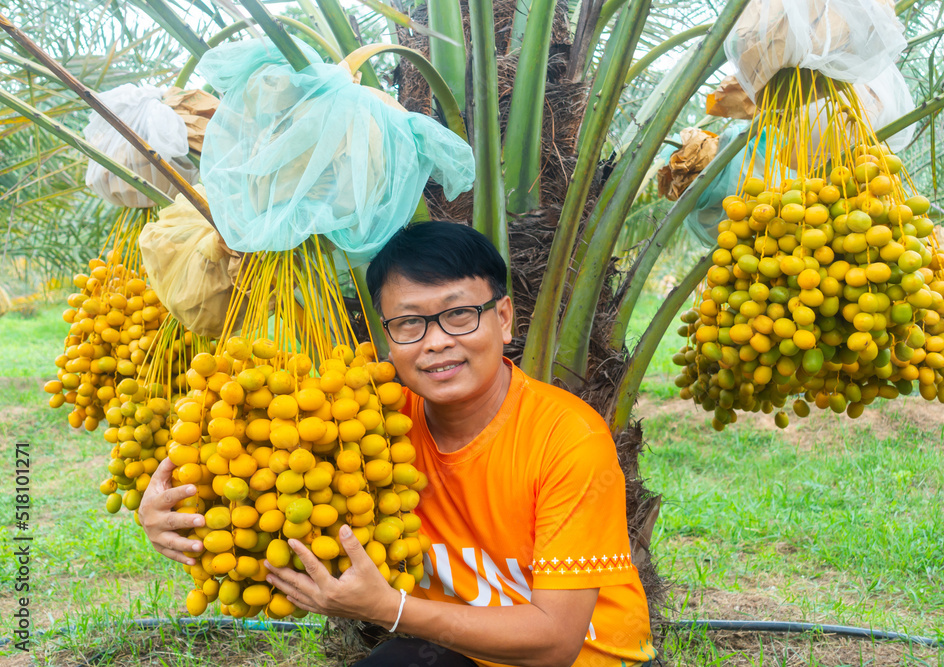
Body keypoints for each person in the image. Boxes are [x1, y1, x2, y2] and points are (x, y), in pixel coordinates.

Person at [138, 221, 655, 666]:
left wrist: (390, 609)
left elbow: (556, 641)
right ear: (388, 338)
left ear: (503, 318)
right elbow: (279, 513)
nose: (435, 342)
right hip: (460, 652)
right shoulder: (372, 427)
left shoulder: (566, 437)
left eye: (459, 315)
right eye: (410, 323)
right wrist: (177, 519)